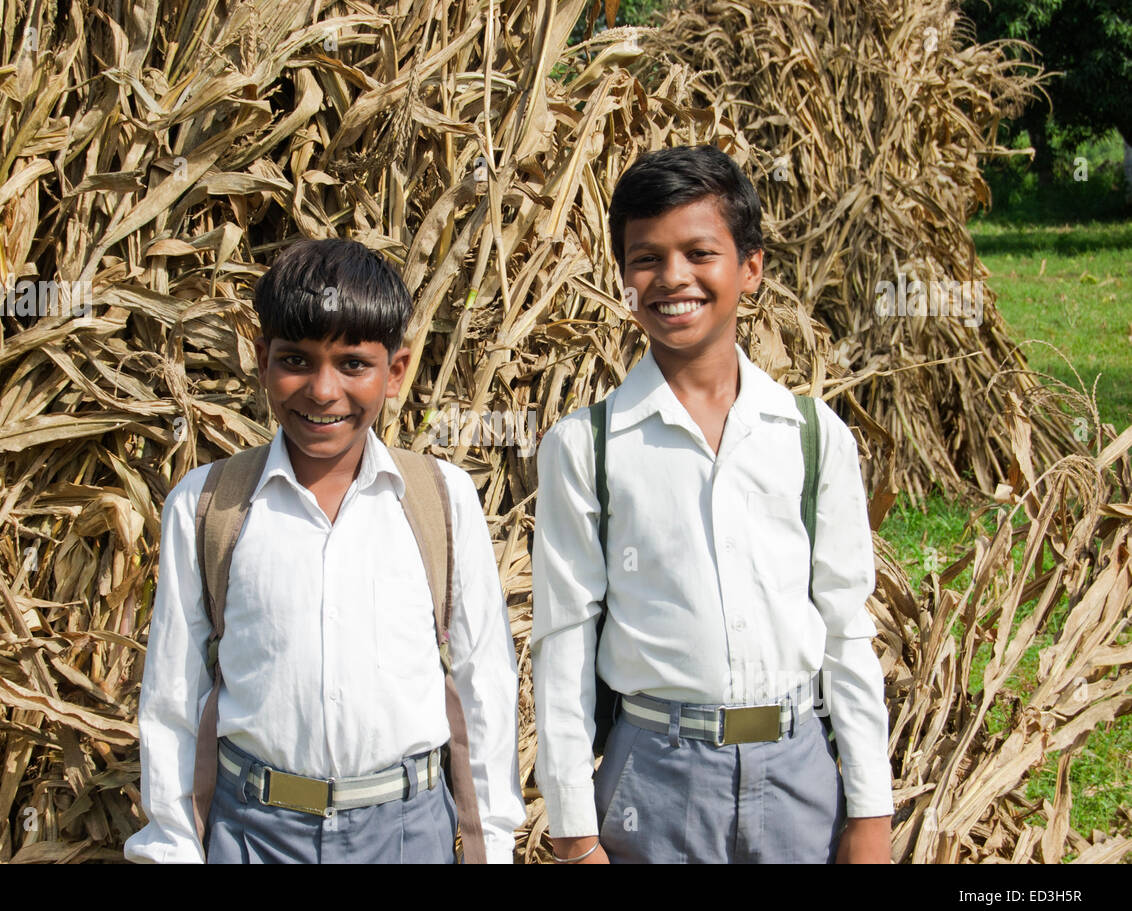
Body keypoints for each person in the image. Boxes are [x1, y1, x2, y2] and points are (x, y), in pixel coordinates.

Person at [530, 145, 893, 864]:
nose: (673, 278)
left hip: (800, 777)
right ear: (624, 281)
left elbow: (846, 629)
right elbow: (563, 640)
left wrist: (871, 811)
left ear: (750, 268)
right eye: (645, 259)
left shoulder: (812, 435)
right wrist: (574, 832)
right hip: (652, 778)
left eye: (700, 252)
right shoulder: (586, 447)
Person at [125, 238, 525, 863]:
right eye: (296, 360)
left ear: (396, 372)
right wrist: (173, 850)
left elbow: (484, 685)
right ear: (261, 361)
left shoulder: (439, 501)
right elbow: (174, 701)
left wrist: (491, 844)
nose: (322, 390)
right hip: (254, 833)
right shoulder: (208, 506)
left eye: (354, 364)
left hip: (406, 835)